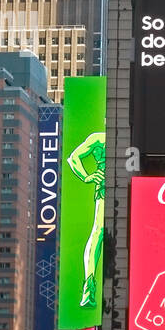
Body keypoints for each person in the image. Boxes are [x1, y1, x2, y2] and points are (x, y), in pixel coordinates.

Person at [66, 130, 106, 309]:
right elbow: (73, 157)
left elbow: (73, 157)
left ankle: (89, 287)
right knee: (98, 231)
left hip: (132, 184)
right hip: (106, 186)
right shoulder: (99, 138)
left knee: (99, 231)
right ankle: (89, 286)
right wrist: (86, 176)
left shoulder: (99, 138)